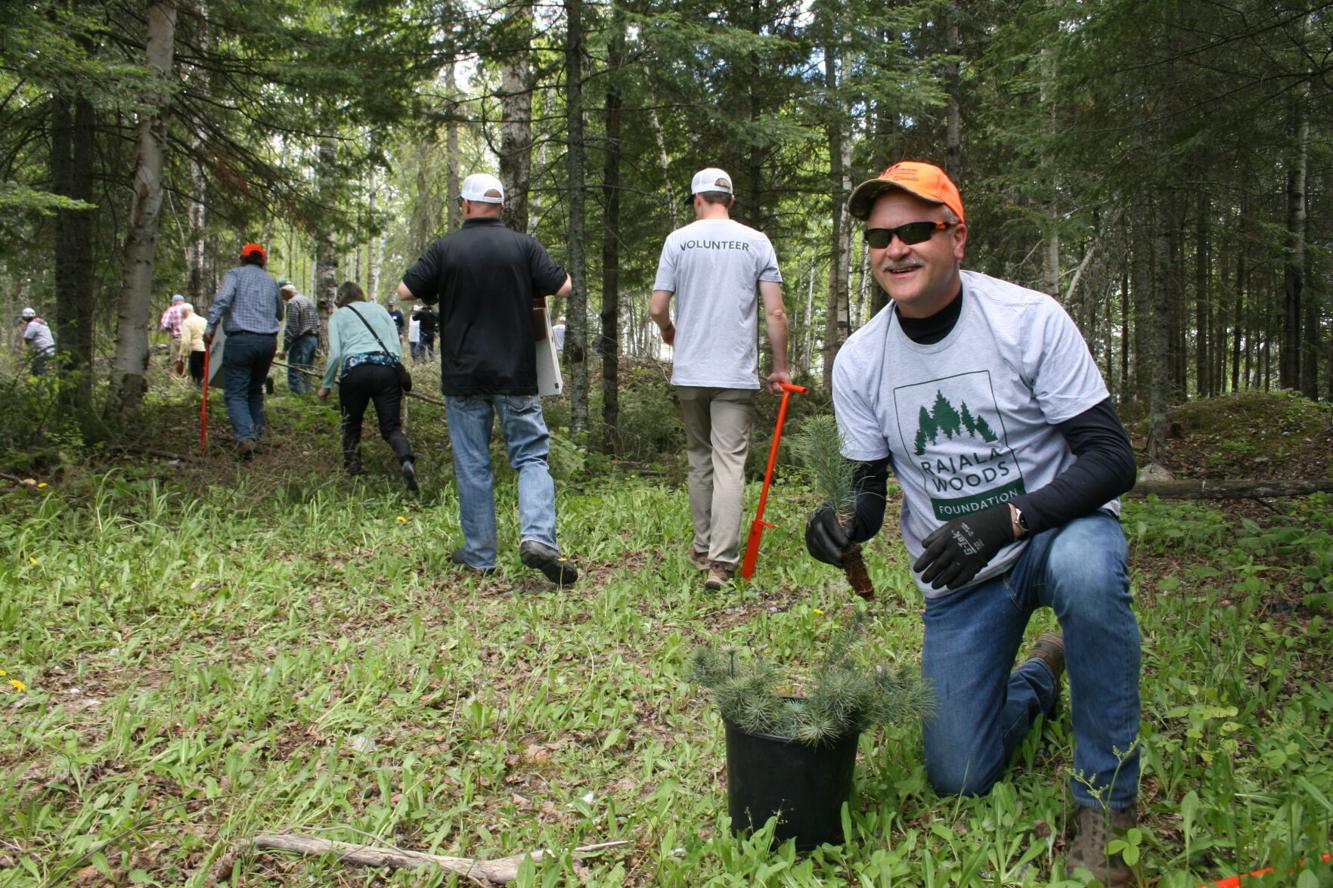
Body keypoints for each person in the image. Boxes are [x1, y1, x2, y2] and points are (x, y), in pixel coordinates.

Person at [803, 161, 1139, 885]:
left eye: (915, 231)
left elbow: (1111, 459)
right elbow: (867, 488)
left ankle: (1106, 803)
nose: (894, 250)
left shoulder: (1026, 321)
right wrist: (840, 529)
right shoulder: (861, 360)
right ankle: (1039, 678)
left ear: (956, 236)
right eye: (878, 237)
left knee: (1087, 569)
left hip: (1053, 531)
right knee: (958, 774)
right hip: (963, 572)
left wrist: (1009, 518)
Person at [398, 171, 578, 586]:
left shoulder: (446, 248)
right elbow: (564, 286)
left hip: (463, 375)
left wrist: (441, 285)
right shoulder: (523, 246)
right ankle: (538, 539)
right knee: (531, 456)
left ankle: (480, 555)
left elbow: (405, 290)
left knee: (473, 463)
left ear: (465, 205)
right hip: (515, 372)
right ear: (500, 207)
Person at [649, 167, 790, 590]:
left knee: (699, 459)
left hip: (691, 369)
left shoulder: (678, 241)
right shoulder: (756, 241)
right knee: (730, 463)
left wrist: (668, 332)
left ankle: (702, 546)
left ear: (697, 200)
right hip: (735, 372)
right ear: (730, 200)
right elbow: (776, 312)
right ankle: (722, 564)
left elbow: (658, 307)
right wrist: (780, 366)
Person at [318, 281, 417, 492]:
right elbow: (396, 348)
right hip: (387, 372)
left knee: (351, 425)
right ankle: (406, 460)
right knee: (391, 427)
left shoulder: (339, 316)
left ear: (341, 299)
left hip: (355, 373)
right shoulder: (381, 310)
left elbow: (335, 354)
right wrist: (398, 378)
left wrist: (325, 385)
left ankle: (353, 471)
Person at [204, 242, 283, 459]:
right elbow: (279, 312)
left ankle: (245, 437)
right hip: (268, 342)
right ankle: (256, 434)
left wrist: (211, 326)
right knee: (255, 389)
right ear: (263, 260)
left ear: (243, 258)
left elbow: (223, 299)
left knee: (236, 391)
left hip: (241, 340)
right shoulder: (271, 282)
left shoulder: (235, 274)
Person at [277, 280, 319, 394]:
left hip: (301, 341)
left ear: (284, 291)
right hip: (313, 340)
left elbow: (292, 328)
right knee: (306, 372)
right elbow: (317, 324)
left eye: (280, 294)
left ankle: (298, 400)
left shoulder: (293, 303)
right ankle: (307, 399)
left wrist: (285, 349)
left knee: (295, 372)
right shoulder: (307, 301)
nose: (281, 297)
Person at [19, 307, 56, 376]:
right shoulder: (42, 324)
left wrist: (28, 347)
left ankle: (40, 382)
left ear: (25, 317)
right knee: (42, 366)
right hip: (51, 349)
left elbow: (27, 338)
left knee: (35, 369)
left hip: (43, 350)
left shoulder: (33, 324)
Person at [178, 302, 207, 387]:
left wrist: (182, 355)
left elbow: (185, 341)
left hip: (195, 350)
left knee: (196, 376)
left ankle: (197, 392)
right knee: (205, 373)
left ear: (184, 312)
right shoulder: (203, 320)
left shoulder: (187, 322)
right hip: (206, 349)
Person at [160, 294, 186, 376]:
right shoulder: (189, 310)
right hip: (188, 339)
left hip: (176, 338)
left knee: (175, 361)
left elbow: (164, 325)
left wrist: (169, 330)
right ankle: (185, 380)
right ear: (183, 301)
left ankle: (175, 381)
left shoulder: (171, 310)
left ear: (173, 302)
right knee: (185, 361)